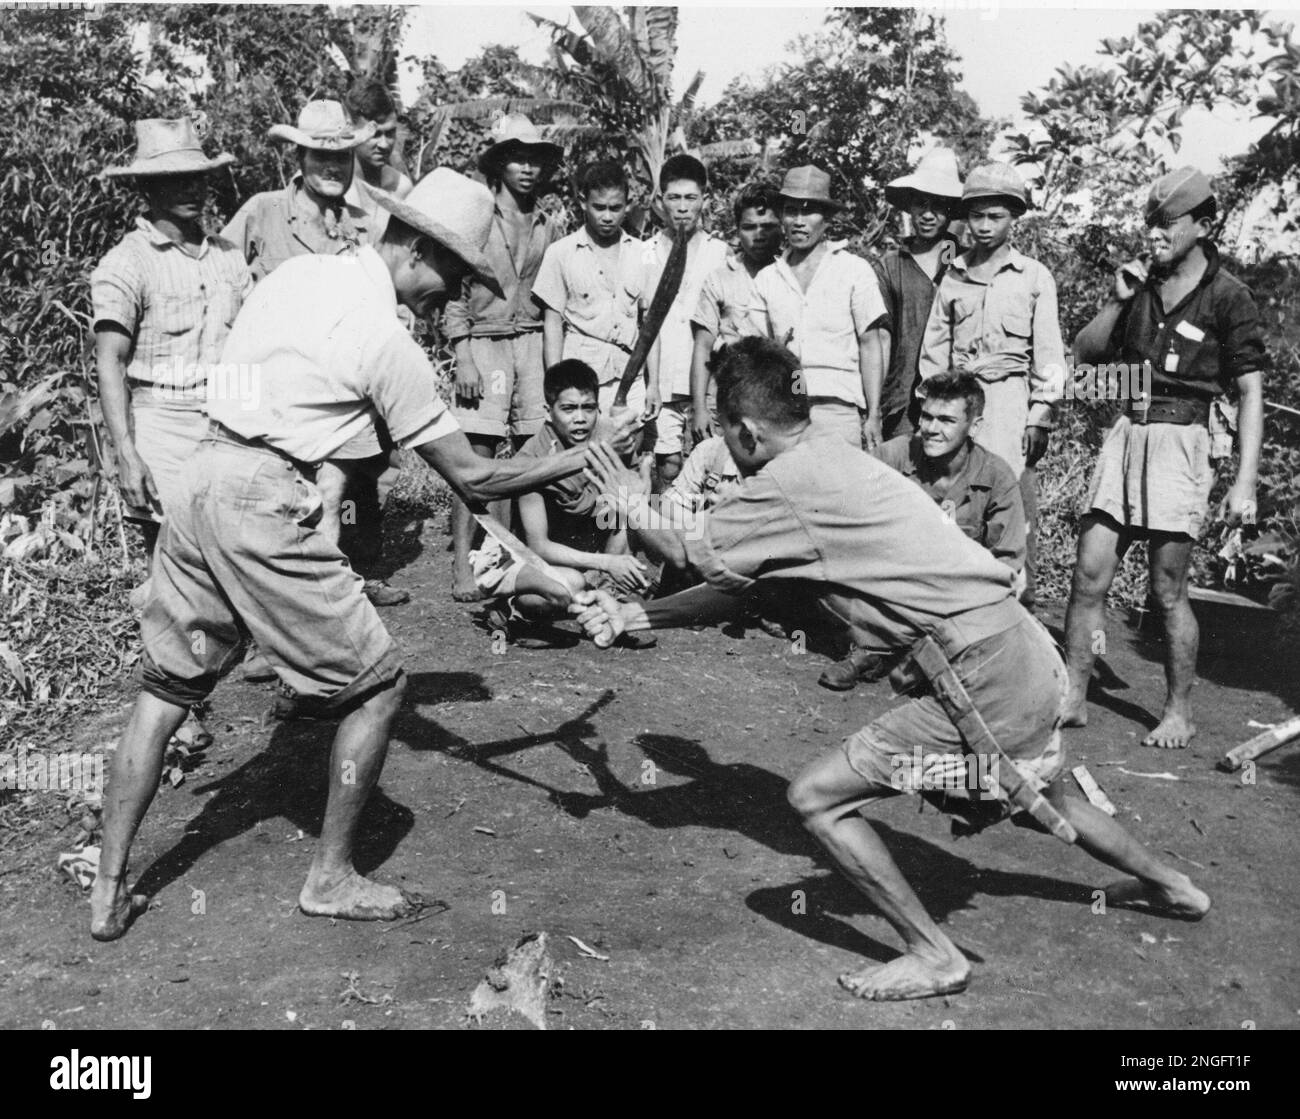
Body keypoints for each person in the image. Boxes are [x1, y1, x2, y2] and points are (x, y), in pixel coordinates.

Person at [571, 336, 1210, 1001]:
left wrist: (626, 494)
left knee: (817, 799)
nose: (722, 443)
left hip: (982, 676)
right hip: (1022, 656)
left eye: (722, 429)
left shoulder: (787, 484)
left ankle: (935, 954)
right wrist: (635, 618)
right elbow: (745, 589)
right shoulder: (831, 458)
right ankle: (1175, 887)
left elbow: (682, 547)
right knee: (1039, 794)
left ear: (745, 429)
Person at [87, 169, 634, 942]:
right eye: (453, 272)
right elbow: (474, 476)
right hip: (255, 498)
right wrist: (578, 457)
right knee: (378, 686)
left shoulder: (298, 273)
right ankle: (331, 877)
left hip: (201, 477)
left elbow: (299, 391)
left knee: (167, 686)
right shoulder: (387, 339)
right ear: (412, 245)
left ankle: (108, 892)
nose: (455, 293)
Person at [1061, 167, 1266, 749]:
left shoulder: (1229, 297)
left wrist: (1244, 482)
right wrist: (1116, 298)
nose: (1155, 234)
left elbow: (1249, 392)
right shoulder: (1143, 288)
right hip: (1128, 433)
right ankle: (1074, 695)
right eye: (1151, 222)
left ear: (1202, 227)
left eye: (1167, 223)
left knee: (1166, 589)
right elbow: (1087, 351)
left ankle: (1179, 711)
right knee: (1087, 574)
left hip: (1182, 445)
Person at [222, 100, 407, 609]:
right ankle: (279, 614)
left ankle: (349, 580)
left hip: (343, 382)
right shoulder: (263, 212)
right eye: (319, 156)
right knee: (284, 495)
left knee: (350, 483)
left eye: (342, 157)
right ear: (298, 159)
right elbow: (222, 278)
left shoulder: (363, 224)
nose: (332, 167)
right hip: (279, 383)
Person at [92, 117, 251, 552]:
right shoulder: (126, 263)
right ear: (147, 189)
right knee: (167, 558)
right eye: (175, 181)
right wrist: (127, 453)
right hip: (161, 422)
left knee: (231, 553)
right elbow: (111, 362)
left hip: (227, 421)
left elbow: (253, 345)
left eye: (196, 179)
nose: (190, 190)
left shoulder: (228, 258)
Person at [919, 162, 1065, 608]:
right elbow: (934, 352)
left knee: (1010, 500)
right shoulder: (954, 275)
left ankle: (1018, 602)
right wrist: (932, 410)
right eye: (976, 216)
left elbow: (1050, 357)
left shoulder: (1034, 276)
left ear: (1013, 219)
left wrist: (1040, 416)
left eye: (995, 217)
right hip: (958, 401)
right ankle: (950, 599)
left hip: (1008, 401)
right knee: (954, 495)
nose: (983, 227)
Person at [821, 371, 1026, 690]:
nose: (931, 429)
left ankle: (914, 654)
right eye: (927, 417)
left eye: (946, 420)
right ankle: (873, 647)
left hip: (959, 597)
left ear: (974, 426)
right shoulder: (897, 454)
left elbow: (1007, 562)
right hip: (895, 583)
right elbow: (842, 493)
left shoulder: (997, 477)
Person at [447, 114, 565, 602]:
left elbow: (557, 292)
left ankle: (509, 561)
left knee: (526, 456)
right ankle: (461, 566)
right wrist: (464, 355)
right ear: (499, 164)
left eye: (535, 160)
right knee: (476, 458)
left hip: (533, 342)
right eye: (517, 158)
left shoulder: (549, 224)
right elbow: (454, 289)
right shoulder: (476, 218)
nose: (527, 169)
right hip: (485, 341)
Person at [507, 360, 655, 648]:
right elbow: (538, 545)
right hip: (544, 564)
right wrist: (608, 563)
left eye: (588, 408)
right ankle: (519, 615)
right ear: (547, 413)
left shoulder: (609, 439)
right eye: (568, 409)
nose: (580, 419)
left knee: (629, 509)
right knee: (569, 584)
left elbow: (633, 502)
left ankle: (610, 601)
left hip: (590, 555)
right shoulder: (531, 460)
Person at [754, 166, 889, 450]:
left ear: (827, 219)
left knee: (839, 491)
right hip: (786, 412)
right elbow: (761, 351)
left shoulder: (854, 270)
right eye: (791, 211)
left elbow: (870, 344)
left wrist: (874, 413)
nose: (799, 221)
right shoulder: (768, 279)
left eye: (810, 211)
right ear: (781, 217)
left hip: (838, 409)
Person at [640, 154, 729, 487]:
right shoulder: (647, 251)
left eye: (690, 198)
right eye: (673, 198)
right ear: (661, 200)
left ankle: (696, 537)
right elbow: (645, 316)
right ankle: (662, 535)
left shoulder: (719, 252)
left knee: (705, 462)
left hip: (705, 383)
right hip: (660, 380)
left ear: (704, 199)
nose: (681, 207)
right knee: (667, 463)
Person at [533, 162, 646, 418]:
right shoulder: (561, 253)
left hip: (631, 376)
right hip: (582, 381)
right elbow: (552, 324)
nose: (607, 216)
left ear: (627, 205)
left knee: (631, 449)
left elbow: (649, 324)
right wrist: (556, 385)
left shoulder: (641, 253)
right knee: (585, 452)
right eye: (599, 207)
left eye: (616, 208)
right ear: (583, 202)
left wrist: (653, 385)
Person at [875, 149, 963, 440]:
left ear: (951, 210)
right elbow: (880, 339)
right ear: (910, 206)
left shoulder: (966, 262)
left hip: (955, 393)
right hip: (901, 401)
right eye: (920, 204)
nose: (927, 214)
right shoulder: (891, 265)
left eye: (938, 206)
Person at [689, 182, 783, 444]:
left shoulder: (791, 278)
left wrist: (798, 400)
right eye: (749, 227)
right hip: (724, 400)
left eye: (767, 227)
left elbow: (799, 356)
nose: (759, 235)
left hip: (775, 402)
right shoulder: (719, 278)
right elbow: (703, 347)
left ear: (782, 226)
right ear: (737, 230)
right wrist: (699, 409)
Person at [344, 77, 414, 241]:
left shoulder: (401, 188)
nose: (384, 145)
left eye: (389, 133)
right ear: (351, 130)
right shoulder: (336, 185)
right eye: (374, 134)